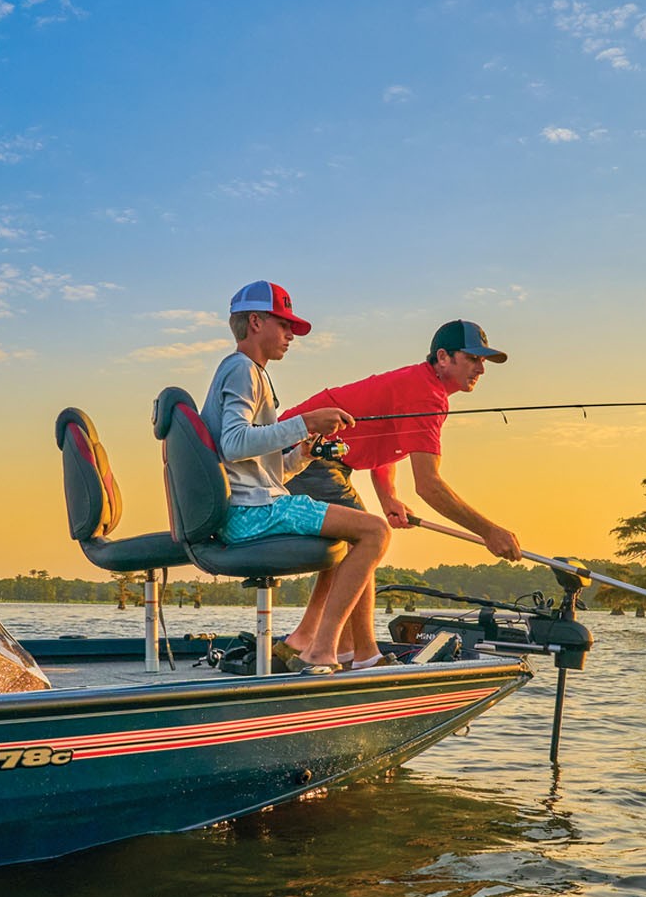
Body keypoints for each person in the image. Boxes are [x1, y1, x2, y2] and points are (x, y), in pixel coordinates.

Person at [275, 319, 521, 668]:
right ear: (443, 357)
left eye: (483, 361)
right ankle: (358, 654)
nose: (481, 368)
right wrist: (488, 531)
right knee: (366, 537)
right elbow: (429, 485)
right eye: (473, 358)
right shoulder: (426, 394)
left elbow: (384, 440)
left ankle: (316, 641)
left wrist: (388, 497)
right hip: (304, 451)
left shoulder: (420, 385)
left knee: (351, 541)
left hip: (321, 457)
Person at [199, 280, 392, 674]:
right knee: (376, 531)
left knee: (351, 532)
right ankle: (322, 651)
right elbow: (233, 444)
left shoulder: (247, 372)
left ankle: (336, 648)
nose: (290, 335)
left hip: (252, 506)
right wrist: (305, 422)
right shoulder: (242, 369)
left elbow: (257, 468)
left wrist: (299, 456)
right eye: (283, 324)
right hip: (252, 514)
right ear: (256, 322)